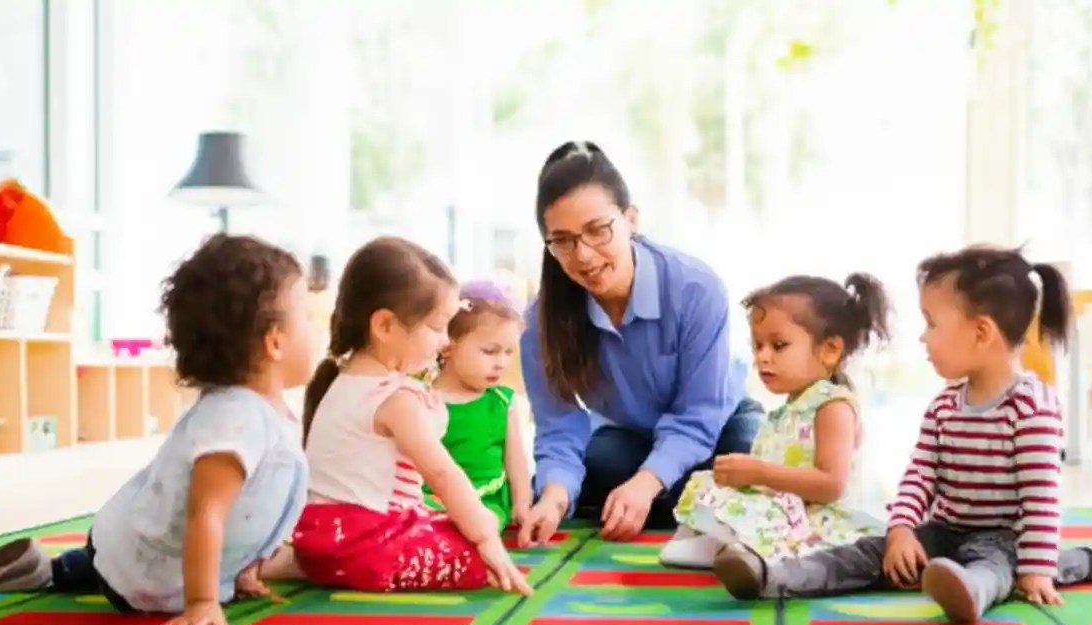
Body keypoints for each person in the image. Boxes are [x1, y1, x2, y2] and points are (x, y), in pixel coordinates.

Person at [711, 246, 1092, 623]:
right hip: (943, 530)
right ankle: (772, 576)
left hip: (1003, 538)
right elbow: (921, 473)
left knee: (1000, 571)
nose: (922, 337)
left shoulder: (1032, 407)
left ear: (981, 334)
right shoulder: (945, 404)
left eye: (931, 324)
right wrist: (900, 530)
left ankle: (969, 592)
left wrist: (1038, 567)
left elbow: (1041, 497)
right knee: (867, 555)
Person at [0, 234, 313, 625]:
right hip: (141, 570)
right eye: (306, 318)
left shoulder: (260, 413)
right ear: (275, 341)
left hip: (163, 563)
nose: (314, 331)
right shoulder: (236, 420)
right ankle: (49, 570)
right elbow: (204, 513)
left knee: (110, 564)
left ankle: (61, 568)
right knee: (102, 568)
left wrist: (237, 568)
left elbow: (251, 505)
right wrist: (203, 601)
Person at [517, 141, 762, 545]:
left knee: (748, 459)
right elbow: (559, 430)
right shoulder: (540, 323)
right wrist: (554, 499)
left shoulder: (695, 289)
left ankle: (682, 500)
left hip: (719, 425)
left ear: (631, 219)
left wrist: (647, 483)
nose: (583, 256)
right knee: (598, 467)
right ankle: (693, 504)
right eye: (562, 240)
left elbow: (701, 412)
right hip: (632, 436)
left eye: (598, 230)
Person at [263, 236, 531, 596]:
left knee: (446, 521)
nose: (444, 342)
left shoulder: (345, 381)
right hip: (367, 538)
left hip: (320, 534)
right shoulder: (395, 398)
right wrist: (486, 538)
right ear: (385, 326)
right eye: (437, 328)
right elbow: (443, 474)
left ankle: (310, 563)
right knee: (470, 554)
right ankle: (341, 567)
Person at [662, 273, 890, 568]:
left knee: (741, 506)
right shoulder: (789, 408)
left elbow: (831, 484)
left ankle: (735, 549)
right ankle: (718, 542)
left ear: (830, 350)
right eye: (758, 346)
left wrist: (759, 473)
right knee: (707, 484)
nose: (763, 357)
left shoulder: (833, 406)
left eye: (778, 345)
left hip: (816, 521)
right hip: (785, 509)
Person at [424, 280, 531, 532]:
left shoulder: (503, 402)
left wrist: (522, 504)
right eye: (490, 351)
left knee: (483, 525)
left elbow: (516, 464)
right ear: (450, 345)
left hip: (485, 499)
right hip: (431, 500)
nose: (502, 363)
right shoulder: (422, 398)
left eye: (508, 352)